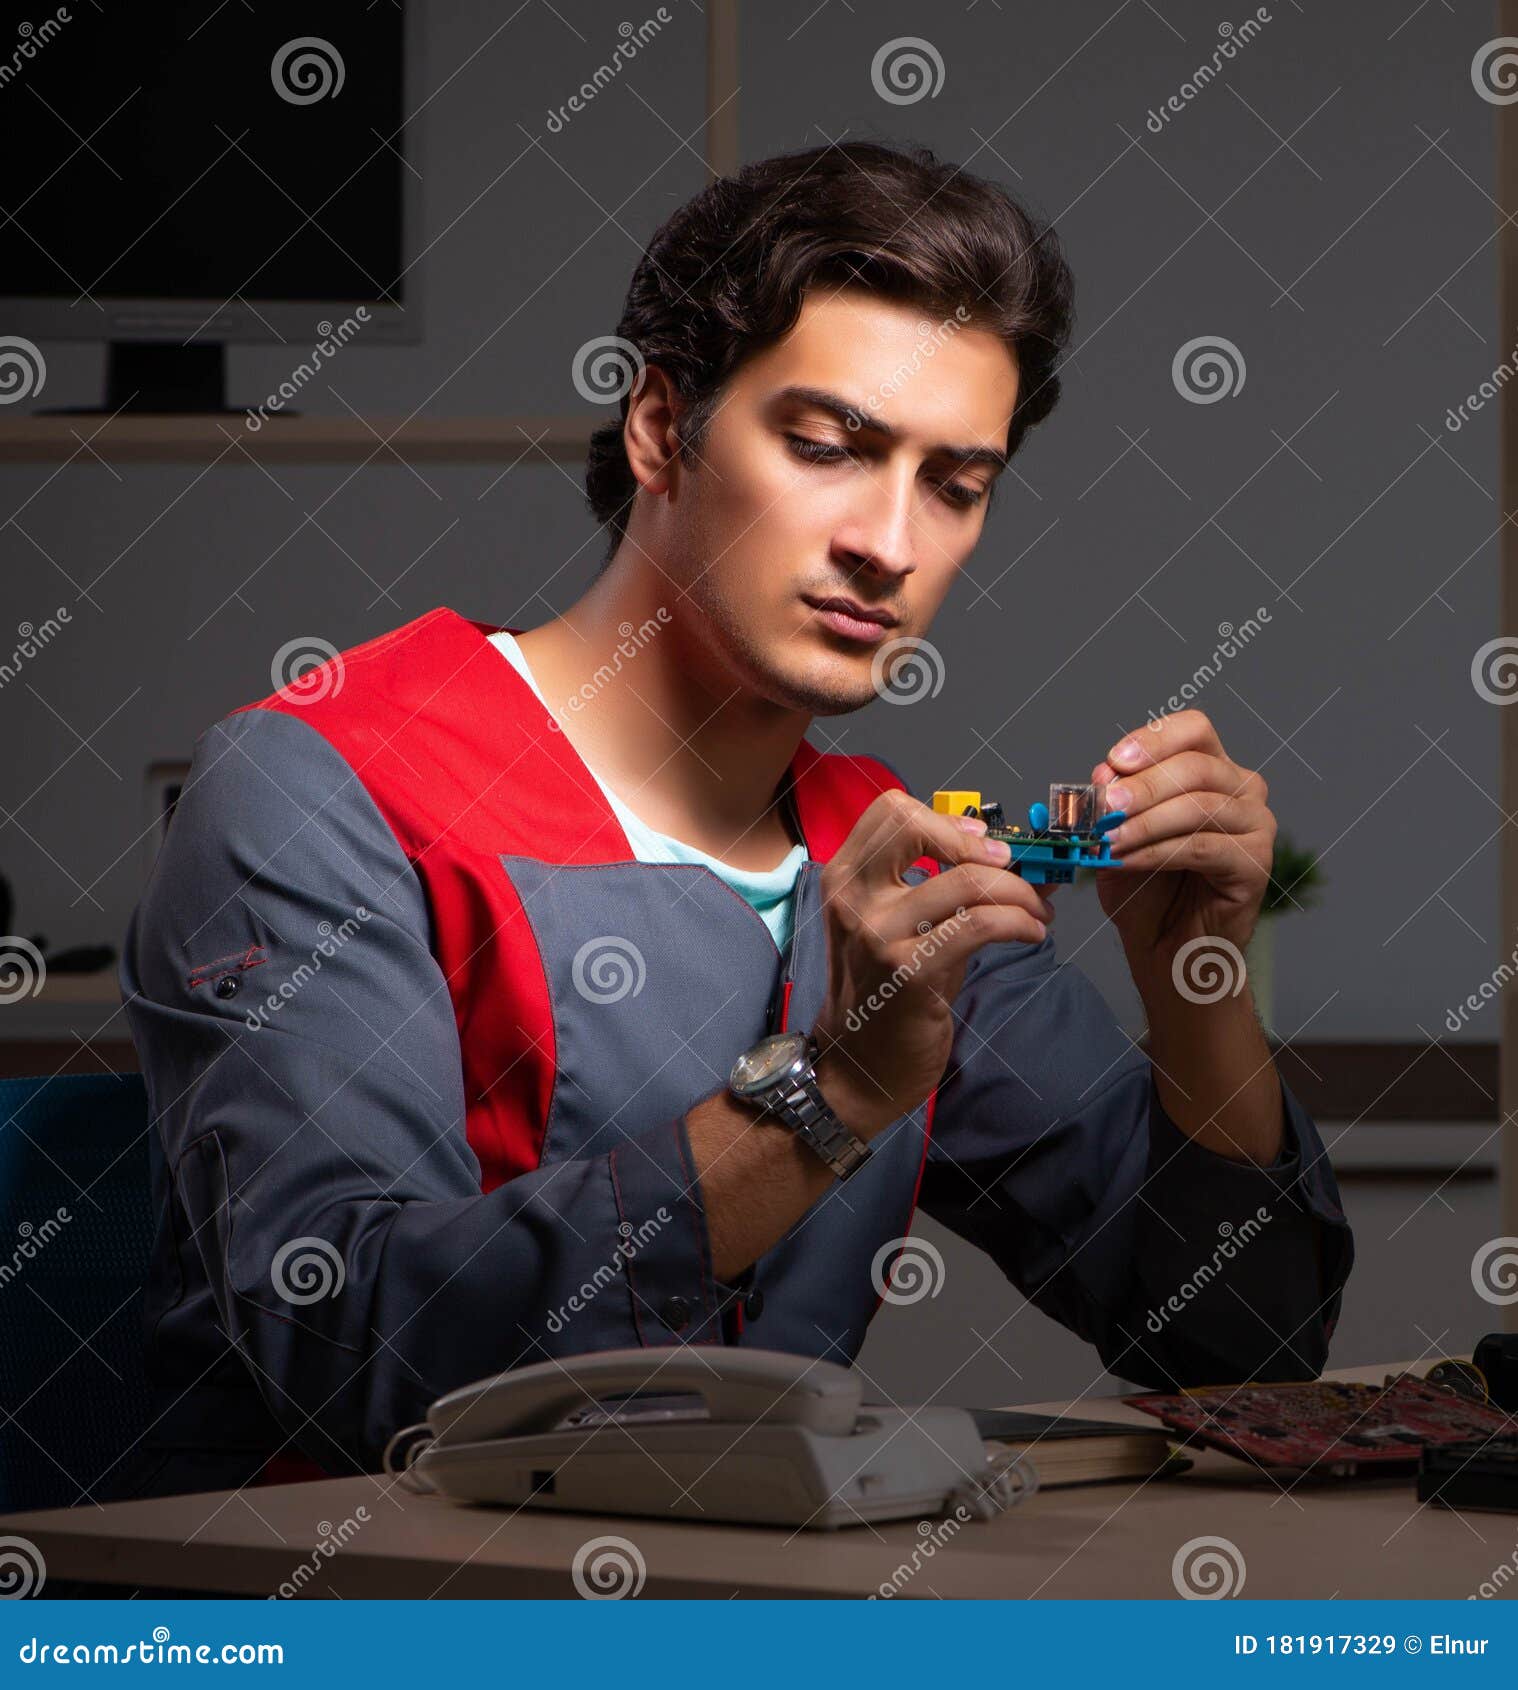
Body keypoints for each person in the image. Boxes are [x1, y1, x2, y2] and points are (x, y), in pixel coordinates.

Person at [115, 140, 1352, 1497]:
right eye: (826, 445)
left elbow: (1245, 1343)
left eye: (954, 483)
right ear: (660, 428)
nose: (888, 540)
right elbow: (348, 1348)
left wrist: (1196, 979)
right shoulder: (323, 787)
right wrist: (834, 1092)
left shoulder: (878, 859)